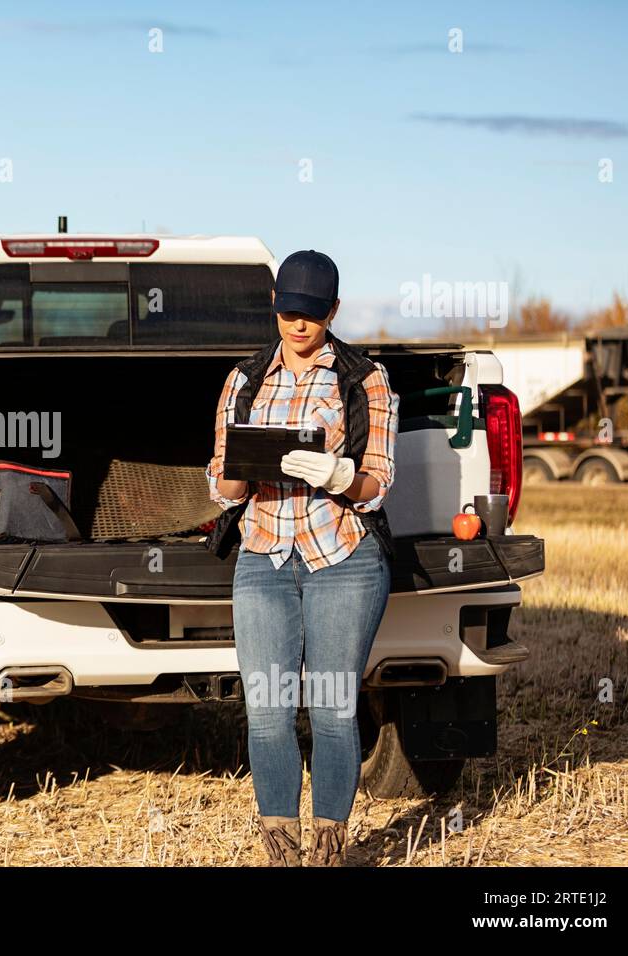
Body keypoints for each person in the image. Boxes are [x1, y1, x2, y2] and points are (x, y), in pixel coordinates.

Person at [206, 250, 400, 866]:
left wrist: (341, 474)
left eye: (311, 315)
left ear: (333, 312)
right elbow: (220, 478)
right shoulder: (243, 379)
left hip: (341, 557)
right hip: (263, 555)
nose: (298, 325)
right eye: (289, 312)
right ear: (275, 307)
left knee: (333, 709)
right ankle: (281, 854)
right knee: (266, 711)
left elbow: (378, 481)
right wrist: (234, 477)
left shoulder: (363, 378)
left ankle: (326, 853)